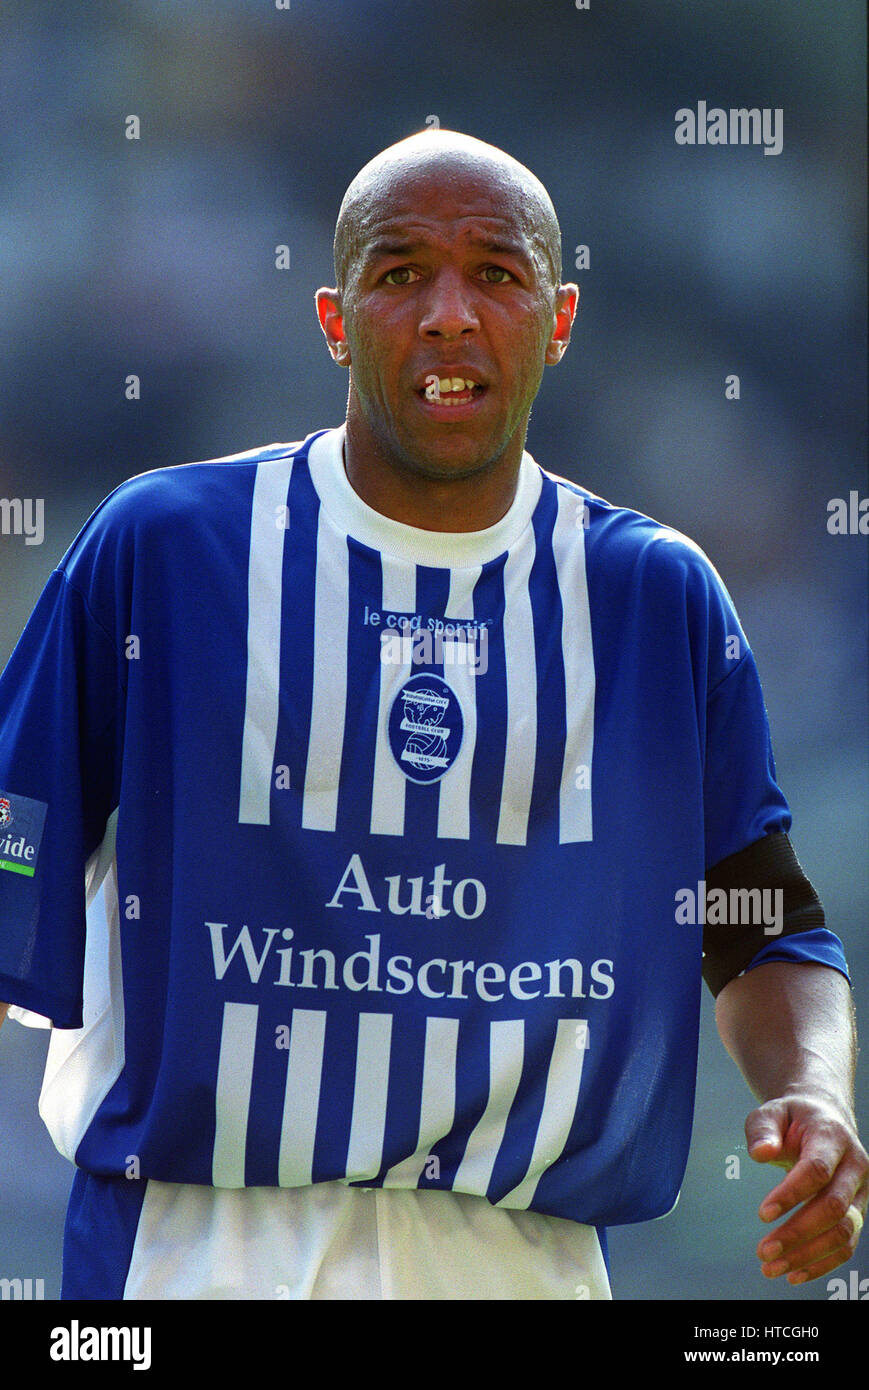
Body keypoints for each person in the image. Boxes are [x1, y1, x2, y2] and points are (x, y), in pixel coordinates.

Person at [0, 129, 865, 1301]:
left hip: (521, 1265)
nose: (449, 314)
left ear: (557, 320)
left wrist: (810, 1089)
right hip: (188, 1261)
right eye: (400, 271)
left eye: (496, 274)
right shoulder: (164, 550)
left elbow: (756, 918)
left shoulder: (649, 598)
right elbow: (16, 848)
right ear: (333, 317)